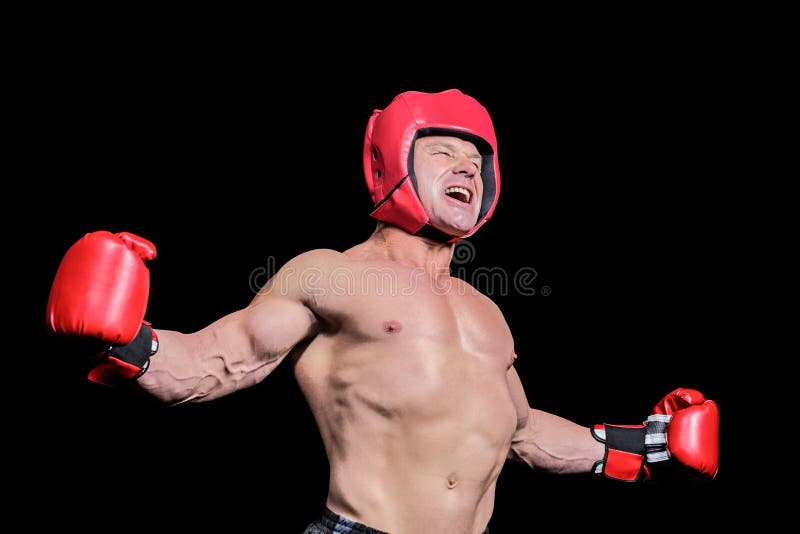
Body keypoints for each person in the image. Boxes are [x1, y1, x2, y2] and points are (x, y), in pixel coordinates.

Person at [46, 89, 719, 534]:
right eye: (445, 152)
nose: (468, 168)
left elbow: (519, 432)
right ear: (392, 162)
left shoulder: (485, 312)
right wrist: (123, 340)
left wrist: (649, 445)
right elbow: (218, 364)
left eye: (478, 159)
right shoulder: (328, 273)